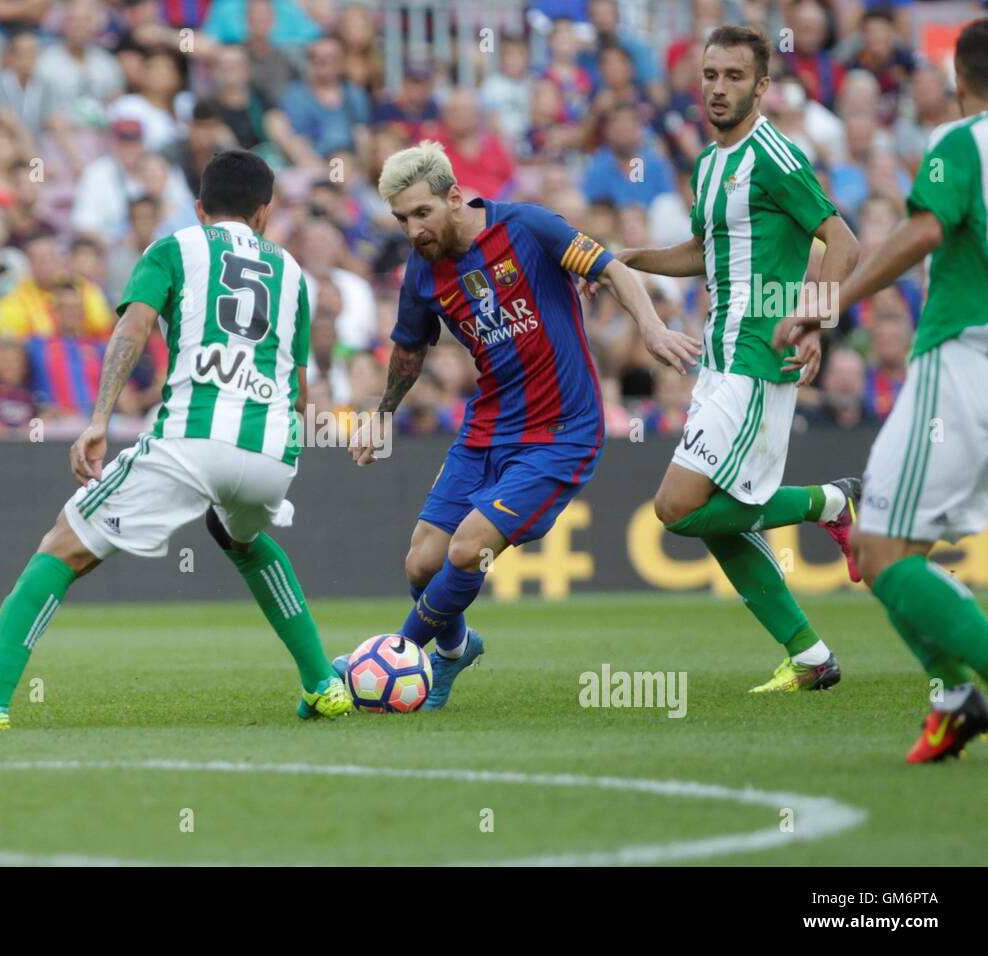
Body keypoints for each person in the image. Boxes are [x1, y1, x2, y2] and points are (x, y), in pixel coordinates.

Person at [0, 149, 352, 731]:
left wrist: (99, 419)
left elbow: (133, 325)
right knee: (240, 538)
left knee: (61, 547)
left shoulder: (176, 247)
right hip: (273, 449)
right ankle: (323, 682)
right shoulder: (297, 275)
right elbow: (298, 385)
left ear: (199, 209)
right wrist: (283, 454)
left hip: (192, 441)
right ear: (265, 214)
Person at [343, 139, 699, 709]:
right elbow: (410, 351)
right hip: (486, 428)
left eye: (422, 213)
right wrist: (381, 415)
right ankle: (456, 651)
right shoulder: (422, 272)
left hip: (561, 432)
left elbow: (612, 271)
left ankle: (393, 656)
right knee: (422, 563)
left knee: (465, 552)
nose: (412, 230)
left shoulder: (529, 227)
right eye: (401, 219)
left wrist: (654, 329)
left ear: (455, 197)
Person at [596, 25, 861, 693]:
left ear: (762, 85)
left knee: (677, 508)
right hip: (717, 359)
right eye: (710, 75)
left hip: (757, 356)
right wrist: (631, 260)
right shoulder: (711, 163)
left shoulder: (775, 155)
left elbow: (843, 241)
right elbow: (703, 252)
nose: (718, 88)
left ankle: (830, 502)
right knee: (715, 517)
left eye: (734, 77)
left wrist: (813, 321)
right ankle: (810, 657)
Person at [774, 18, 988, 762]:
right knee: (901, 543)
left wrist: (823, 309)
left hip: (964, 362)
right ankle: (954, 696)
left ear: (960, 79)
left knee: (880, 550)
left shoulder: (963, 143)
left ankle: (961, 685)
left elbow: (925, 231)